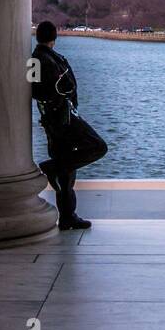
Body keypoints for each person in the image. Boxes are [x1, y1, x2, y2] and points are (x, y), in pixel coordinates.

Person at [31, 21, 107, 230]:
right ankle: (51, 169)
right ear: (54, 37)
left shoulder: (34, 60)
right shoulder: (48, 59)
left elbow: (33, 91)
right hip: (63, 116)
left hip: (52, 118)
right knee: (97, 147)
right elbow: (48, 90)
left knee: (66, 166)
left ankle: (67, 216)